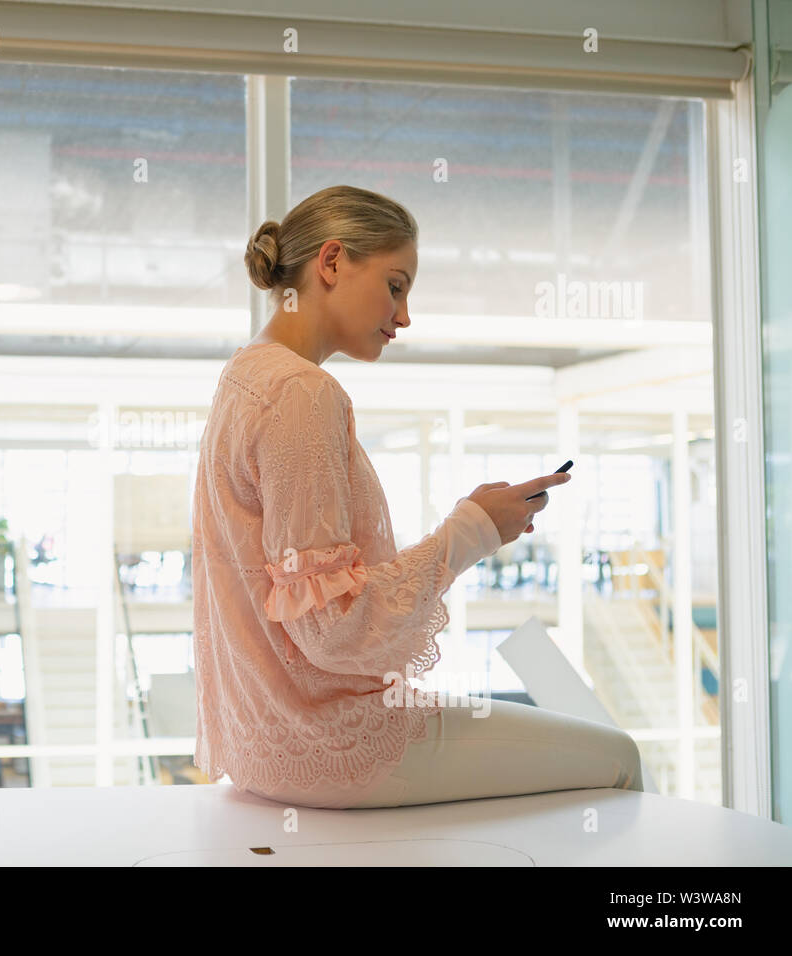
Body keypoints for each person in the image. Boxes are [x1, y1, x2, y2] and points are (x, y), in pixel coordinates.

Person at [190, 184, 644, 809]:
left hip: (261, 745)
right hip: (332, 745)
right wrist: (474, 530)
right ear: (330, 263)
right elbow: (334, 629)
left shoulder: (244, 375)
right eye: (396, 285)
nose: (404, 316)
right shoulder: (302, 393)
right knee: (620, 759)